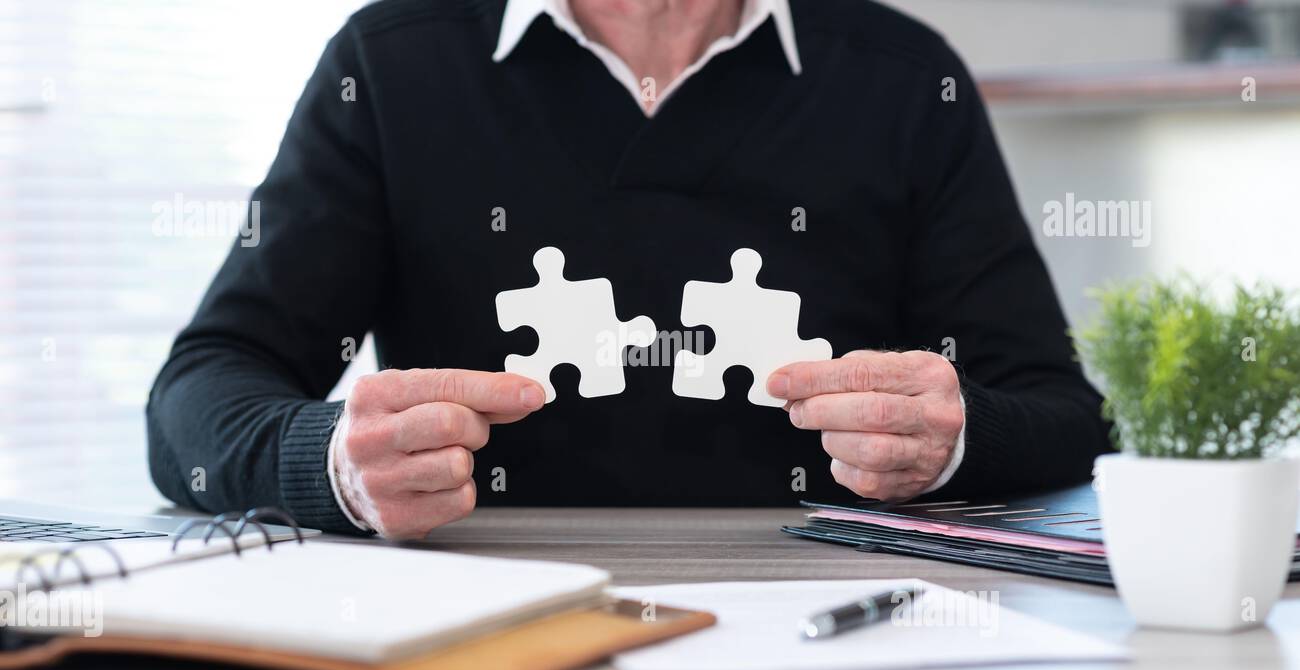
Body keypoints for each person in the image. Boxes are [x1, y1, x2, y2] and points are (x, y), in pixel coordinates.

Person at [147, 0, 1112, 539]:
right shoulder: (389, 64)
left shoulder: (907, 80)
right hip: (478, 641)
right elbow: (197, 395)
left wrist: (947, 440)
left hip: (831, 642)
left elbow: (1062, 416)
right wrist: (334, 465)